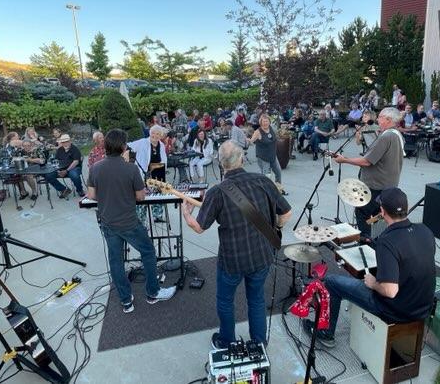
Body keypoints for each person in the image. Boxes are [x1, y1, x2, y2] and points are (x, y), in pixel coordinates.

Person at [181, 141, 292, 348]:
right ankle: (258, 343)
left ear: (221, 164)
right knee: (256, 300)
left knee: (225, 301)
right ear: (241, 159)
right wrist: (274, 226)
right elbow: (286, 213)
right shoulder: (264, 181)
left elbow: (198, 227)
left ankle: (226, 341)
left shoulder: (217, 192)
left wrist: (186, 213)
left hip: (232, 260)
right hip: (262, 255)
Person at [303, 188, 436, 347]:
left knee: (332, 282)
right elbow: (410, 260)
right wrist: (374, 245)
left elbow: (390, 291)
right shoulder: (425, 230)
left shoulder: (388, 241)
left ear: (382, 211)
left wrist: (372, 283)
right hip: (422, 307)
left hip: (396, 310)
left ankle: (326, 333)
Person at [87, 129, 176, 313]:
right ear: (122, 147)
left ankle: (126, 301)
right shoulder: (130, 168)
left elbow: (91, 195)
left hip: (108, 223)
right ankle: (153, 293)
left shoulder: (96, 167)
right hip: (129, 222)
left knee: (116, 261)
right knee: (148, 252)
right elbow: (141, 197)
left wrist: (108, 197)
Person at [333, 107, 404, 242]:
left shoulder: (387, 136)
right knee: (379, 216)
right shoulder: (396, 134)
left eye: (380, 117)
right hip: (389, 185)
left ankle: (366, 242)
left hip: (376, 186)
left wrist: (344, 160)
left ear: (388, 120)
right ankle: (378, 241)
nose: (377, 119)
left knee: (362, 212)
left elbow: (367, 161)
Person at [128, 125, 169, 222]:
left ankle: (157, 215)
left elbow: (164, 159)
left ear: (161, 135)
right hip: (143, 172)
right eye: (153, 133)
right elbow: (129, 145)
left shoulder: (161, 145)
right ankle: (141, 219)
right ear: (150, 133)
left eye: (158, 133)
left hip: (157, 171)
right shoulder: (142, 142)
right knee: (142, 195)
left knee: (158, 194)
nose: (155, 135)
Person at [45, 134, 85, 198]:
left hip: (73, 168)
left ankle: (80, 190)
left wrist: (66, 171)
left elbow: (76, 162)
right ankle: (63, 189)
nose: (65, 143)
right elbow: (56, 161)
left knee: (74, 175)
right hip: (61, 169)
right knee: (48, 175)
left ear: (70, 141)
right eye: (63, 142)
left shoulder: (74, 149)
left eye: (66, 141)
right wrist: (57, 170)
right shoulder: (60, 149)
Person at [251, 114, 284, 190]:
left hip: (272, 156)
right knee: (267, 176)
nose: (265, 123)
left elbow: (276, 136)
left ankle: (279, 189)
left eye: (267, 121)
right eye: (263, 121)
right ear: (261, 122)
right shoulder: (258, 132)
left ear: (269, 122)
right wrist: (248, 141)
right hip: (263, 158)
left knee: (278, 172)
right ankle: (266, 192)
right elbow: (252, 140)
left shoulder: (271, 128)